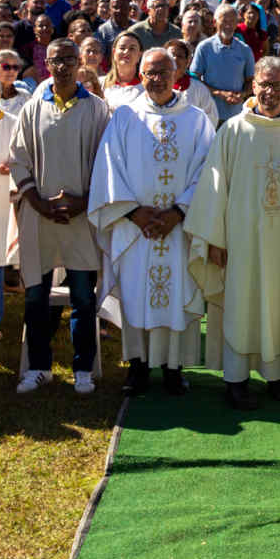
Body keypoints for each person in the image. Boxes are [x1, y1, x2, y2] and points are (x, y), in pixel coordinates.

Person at [89, 48, 215, 396]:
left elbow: (208, 173)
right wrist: (133, 212)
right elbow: (109, 167)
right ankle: (138, 367)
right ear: (140, 76)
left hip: (179, 227)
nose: (156, 79)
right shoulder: (125, 117)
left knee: (177, 293)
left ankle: (174, 368)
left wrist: (178, 212)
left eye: (163, 72)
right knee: (135, 293)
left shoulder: (196, 120)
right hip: (135, 228)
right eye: (149, 73)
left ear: (176, 74)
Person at [184, 57, 280, 409]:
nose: (270, 92)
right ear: (253, 86)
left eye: (277, 85)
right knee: (240, 302)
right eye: (264, 84)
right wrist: (215, 239)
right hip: (239, 238)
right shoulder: (234, 130)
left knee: (278, 301)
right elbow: (215, 187)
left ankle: (276, 376)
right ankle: (235, 379)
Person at [10, 39, 110, 396]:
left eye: (69, 59)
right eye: (56, 60)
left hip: (81, 216)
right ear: (47, 64)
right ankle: (38, 367)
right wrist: (37, 201)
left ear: (80, 62)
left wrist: (84, 202)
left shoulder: (97, 108)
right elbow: (18, 157)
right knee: (36, 295)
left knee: (82, 296)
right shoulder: (32, 108)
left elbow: (107, 161)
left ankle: (82, 368)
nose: (63, 66)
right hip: (40, 214)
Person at [191, 4, 255, 125]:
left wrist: (242, 94)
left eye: (232, 21)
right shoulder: (204, 47)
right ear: (215, 23)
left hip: (236, 116)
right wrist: (219, 93)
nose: (228, 25)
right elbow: (195, 79)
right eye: (224, 21)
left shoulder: (245, 50)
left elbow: (251, 81)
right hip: (209, 114)